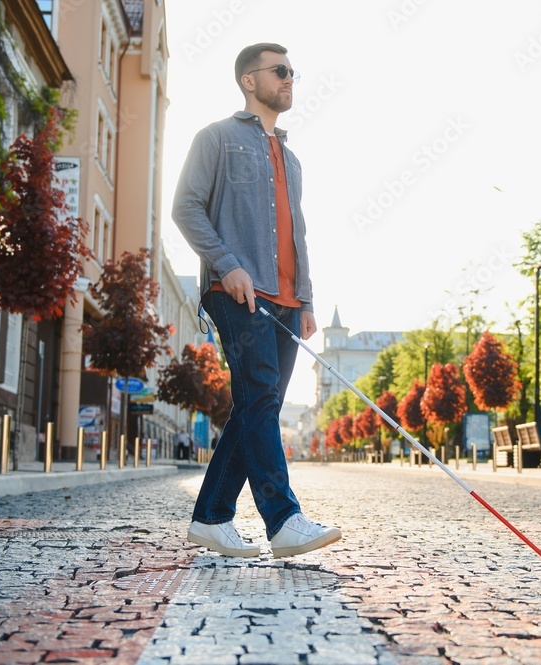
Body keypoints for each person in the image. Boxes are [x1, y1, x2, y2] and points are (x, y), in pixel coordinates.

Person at [172, 43, 341, 558]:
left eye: (293, 72)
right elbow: (186, 207)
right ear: (250, 80)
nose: (290, 79)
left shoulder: (292, 159)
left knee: (257, 405)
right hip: (238, 292)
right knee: (262, 398)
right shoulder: (217, 138)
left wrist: (306, 299)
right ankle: (283, 519)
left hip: (287, 300)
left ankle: (211, 517)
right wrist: (227, 265)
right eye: (280, 70)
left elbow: (297, 233)